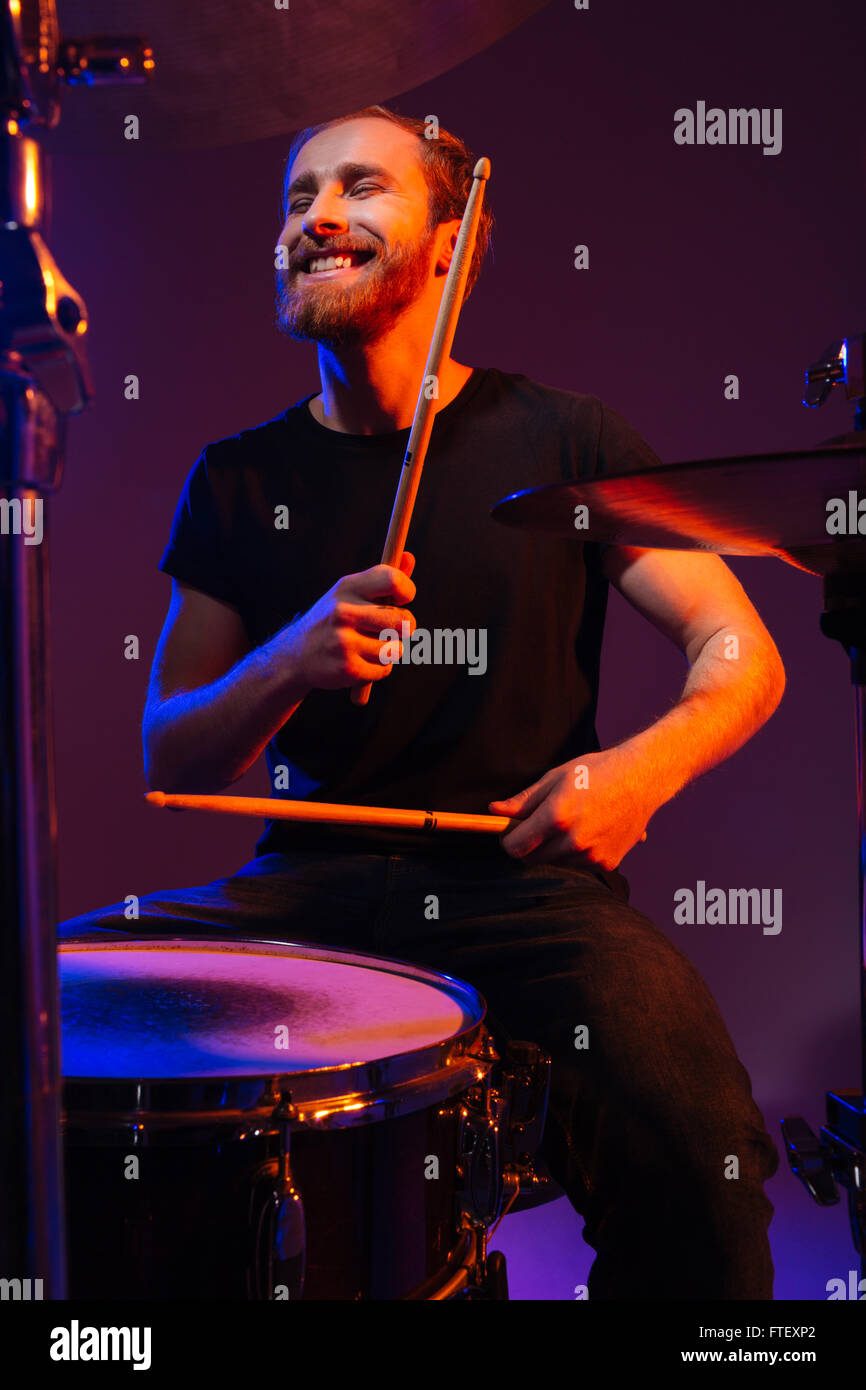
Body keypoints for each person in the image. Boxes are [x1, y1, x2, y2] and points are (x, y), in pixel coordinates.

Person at [59, 105, 785, 1299]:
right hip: (299, 896)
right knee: (47, 1018)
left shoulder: (564, 438)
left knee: (699, 1158)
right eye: (297, 198)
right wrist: (290, 659)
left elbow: (736, 650)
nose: (317, 218)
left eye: (360, 188)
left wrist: (635, 774)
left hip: (528, 890)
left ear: (452, 239)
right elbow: (171, 749)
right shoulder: (239, 476)